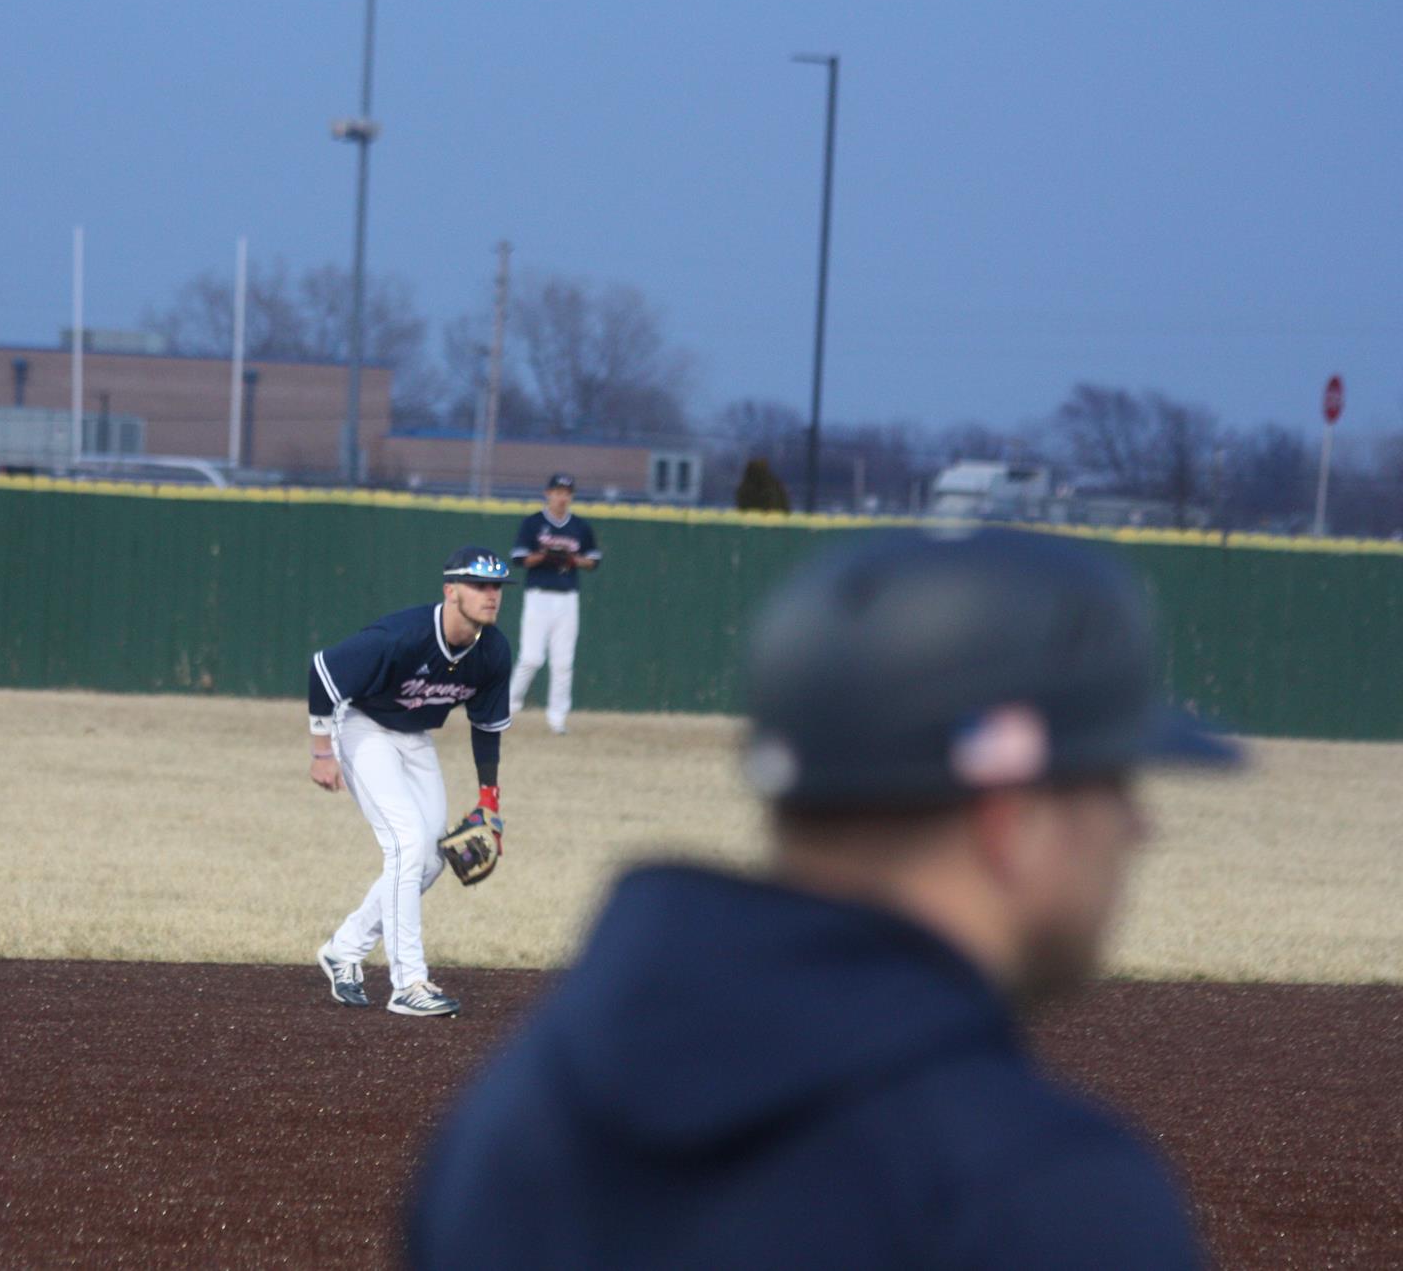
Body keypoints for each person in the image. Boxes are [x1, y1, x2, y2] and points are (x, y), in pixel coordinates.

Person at [411, 527, 1239, 1268]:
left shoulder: (514, 1123)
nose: (1139, 826)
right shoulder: (1047, 1195)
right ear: (1010, 820)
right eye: (1112, 782)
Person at [310, 547, 514, 1017]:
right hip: (360, 725)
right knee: (405, 843)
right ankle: (408, 983)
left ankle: (344, 949)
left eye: (496, 586)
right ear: (451, 590)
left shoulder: (493, 651)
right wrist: (321, 752)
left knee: (431, 858)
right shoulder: (402, 636)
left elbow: (486, 728)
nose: (491, 595)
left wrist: (489, 801)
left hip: (414, 735)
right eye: (479, 585)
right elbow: (322, 671)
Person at [508, 472, 601, 734]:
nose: (562, 497)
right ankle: (506, 708)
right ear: (547, 493)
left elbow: (593, 561)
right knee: (531, 658)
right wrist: (545, 554)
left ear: (571, 496)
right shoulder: (533, 523)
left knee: (563, 663)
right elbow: (519, 558)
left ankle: (557, 720)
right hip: (538, 595)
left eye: (566, 493)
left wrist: (573, 560)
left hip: (567, 597)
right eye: (557, 492)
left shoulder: (579, 527)